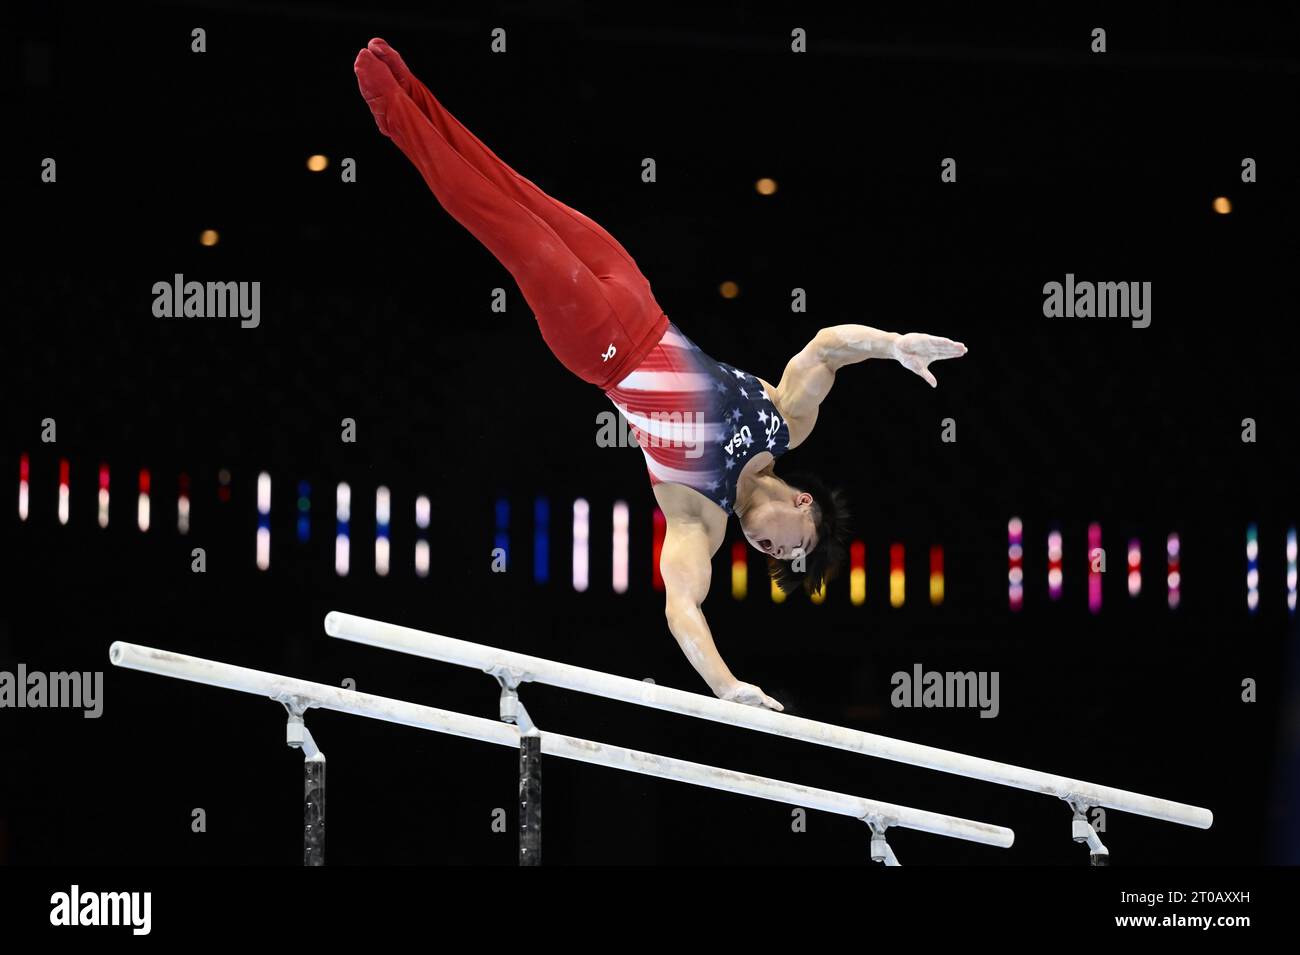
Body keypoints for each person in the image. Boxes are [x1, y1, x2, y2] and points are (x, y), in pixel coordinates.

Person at [354, 38, 966, 710]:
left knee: (497, 220)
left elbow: (682, 606)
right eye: (796, 550)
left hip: (600, 346)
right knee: (513, 187)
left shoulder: (698, 516)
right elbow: (825, 348)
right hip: (634, 290)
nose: (773, 553)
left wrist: (726, 684)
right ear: (804, 506)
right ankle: (411, 89)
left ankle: (391, 114)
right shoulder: (785, 419)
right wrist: (893, 343)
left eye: (776, 560)